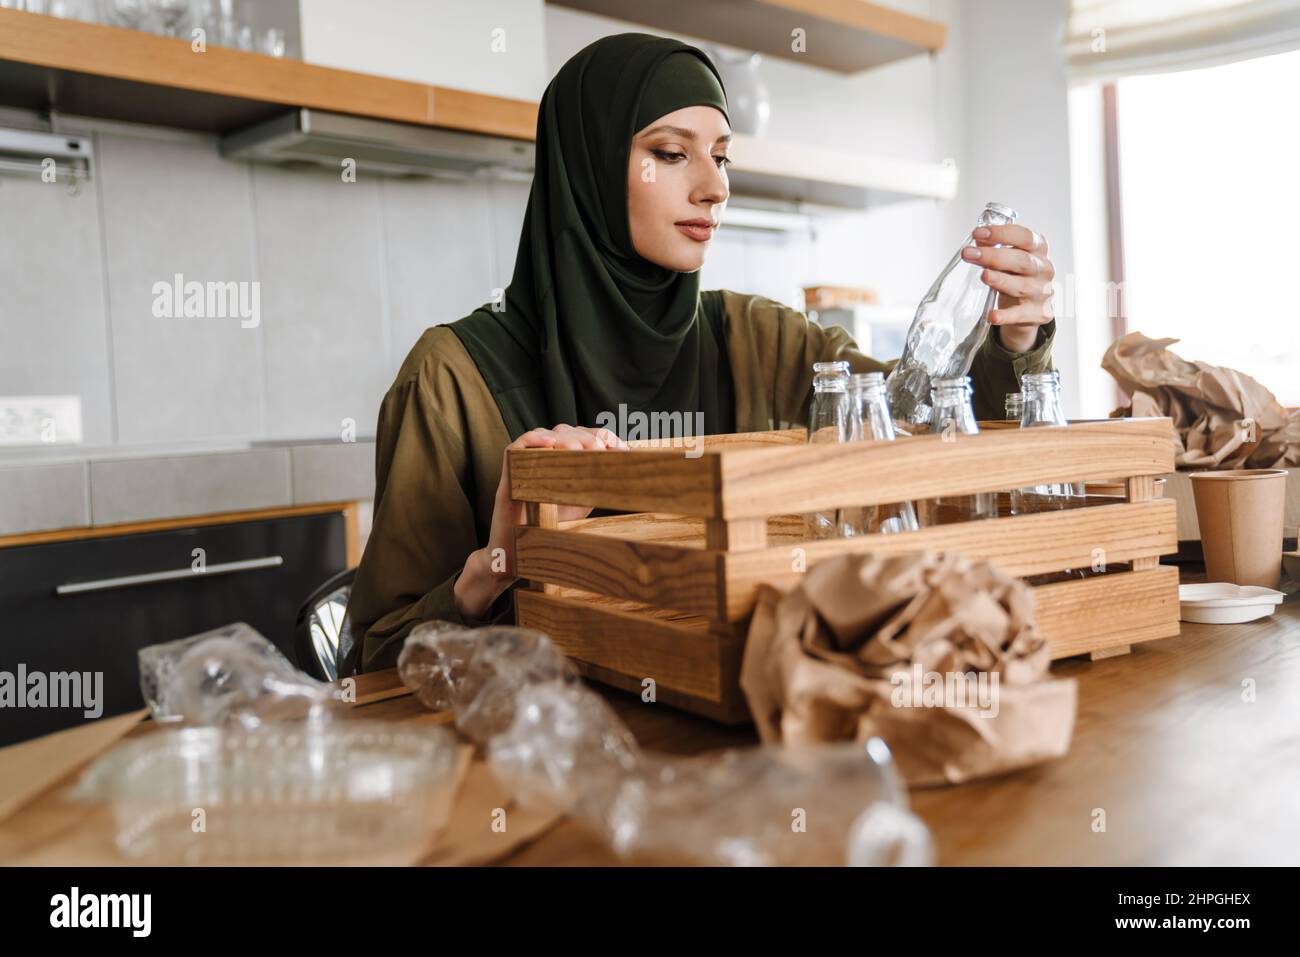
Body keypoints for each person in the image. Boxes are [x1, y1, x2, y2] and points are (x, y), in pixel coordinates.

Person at [339, 32, 1057, 676]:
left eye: (720, 158)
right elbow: (374, 660)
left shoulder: (765, 343)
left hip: (742, 740)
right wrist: (496, 565)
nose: (715, 189)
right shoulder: (451, 377)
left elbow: (926, 423)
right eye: (670, 154)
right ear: (586, 166)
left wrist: (1015, 339)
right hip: (537, 773)